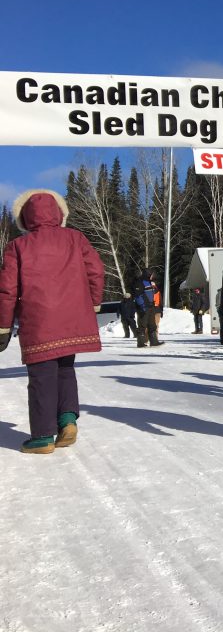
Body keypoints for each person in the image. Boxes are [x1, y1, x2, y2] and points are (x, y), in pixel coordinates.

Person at [0, 189, 104, 454]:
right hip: (72, 318)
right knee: (65, 368)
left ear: (25, 218)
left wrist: (3, 325)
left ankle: (43, 437)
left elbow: (7, 290)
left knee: (41, 375)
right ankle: (67, 421)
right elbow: (96, 269)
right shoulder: (75, 238)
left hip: (39, 321)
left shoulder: (18, 246)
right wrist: (93, 302)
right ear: (59, 214)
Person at [132, 268, 163, 347]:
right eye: (151, 274)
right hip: (143, 307)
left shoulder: (149, 282)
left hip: (151, 306)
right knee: (142, 325)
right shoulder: (140, 282)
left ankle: (154, 342)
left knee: (152, 325)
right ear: (148, 274)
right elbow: (138, 296)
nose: (153, 276)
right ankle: (141, 343)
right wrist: (142, 306)